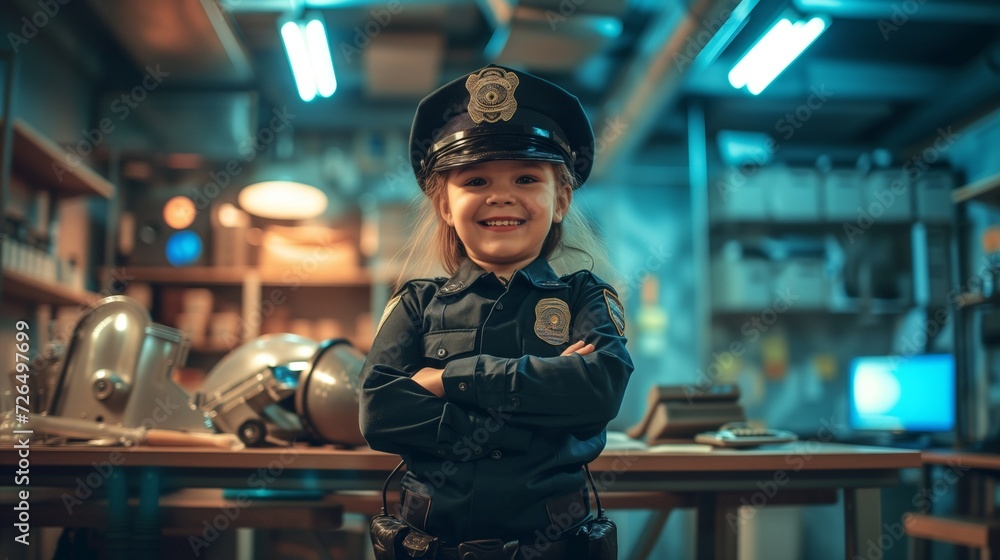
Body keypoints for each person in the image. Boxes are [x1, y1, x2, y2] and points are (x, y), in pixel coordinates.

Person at [359, 64, 634, 560]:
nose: (500, 195)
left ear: (561, 199)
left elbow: (600, 390)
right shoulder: (416, 303)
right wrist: (535, 414)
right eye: (476, 179)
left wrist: (449, 380)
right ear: (445, 204)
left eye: (527, 177)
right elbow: (379, 412)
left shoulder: (584, 297)